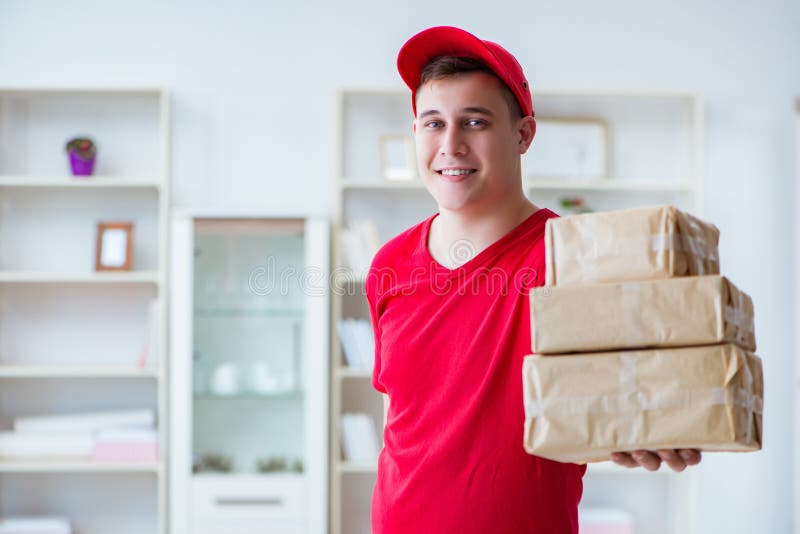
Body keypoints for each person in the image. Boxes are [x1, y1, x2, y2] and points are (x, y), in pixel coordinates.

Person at [365, 26, 701, 534]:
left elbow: (636, 391)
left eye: (474, 122)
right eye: (433, 123)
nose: (450, 144)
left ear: (523, 135)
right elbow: (406, 421)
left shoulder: (583, 259)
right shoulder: (388, 267)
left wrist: (651, 427)